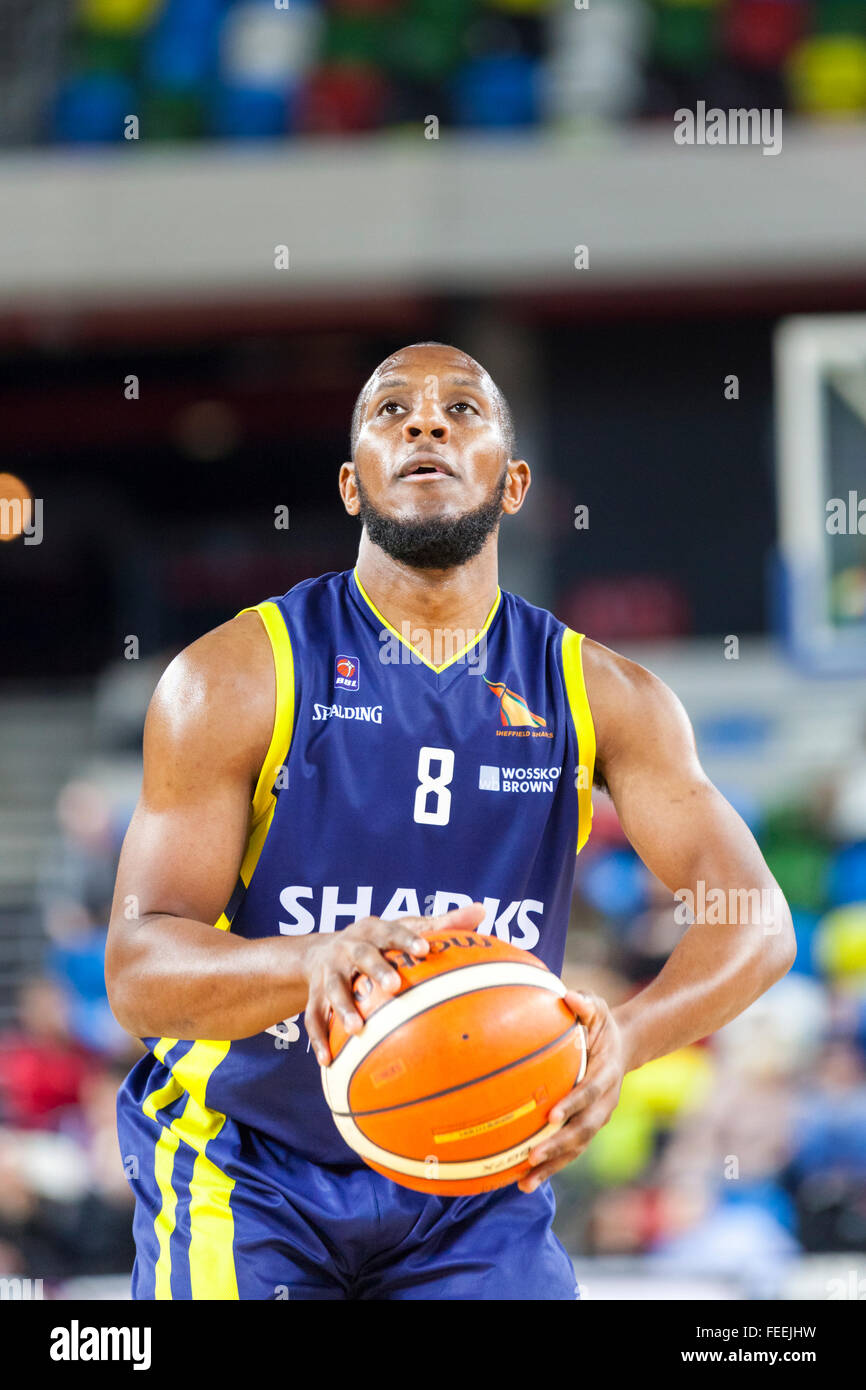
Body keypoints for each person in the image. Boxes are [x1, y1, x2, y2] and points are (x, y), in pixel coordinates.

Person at [106, 341, 795, 1300]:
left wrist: (625, 1037)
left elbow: (756, 920)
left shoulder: (600, 695)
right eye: (391, 410)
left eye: (462, 409)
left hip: (478, 1164)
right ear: (351, 484)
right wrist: (313, 962)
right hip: (244, 1162)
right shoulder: (233, 677)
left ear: (514, 484)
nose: (425, 421)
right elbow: (138, 972)